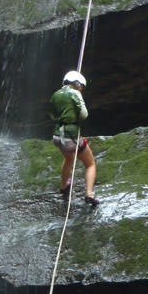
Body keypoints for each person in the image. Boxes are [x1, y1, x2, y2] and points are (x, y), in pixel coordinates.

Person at [48, 70, 99, 206]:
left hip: (58, 137)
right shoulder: (75, 93)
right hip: (71, 136)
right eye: (81, 87)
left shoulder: (55, 95)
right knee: (90, 164)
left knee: (69, 158)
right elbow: (84, 114)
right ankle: (89, 194)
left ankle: (64, 185)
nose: (81, 90)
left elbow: (52, 115)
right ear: (76, 84)